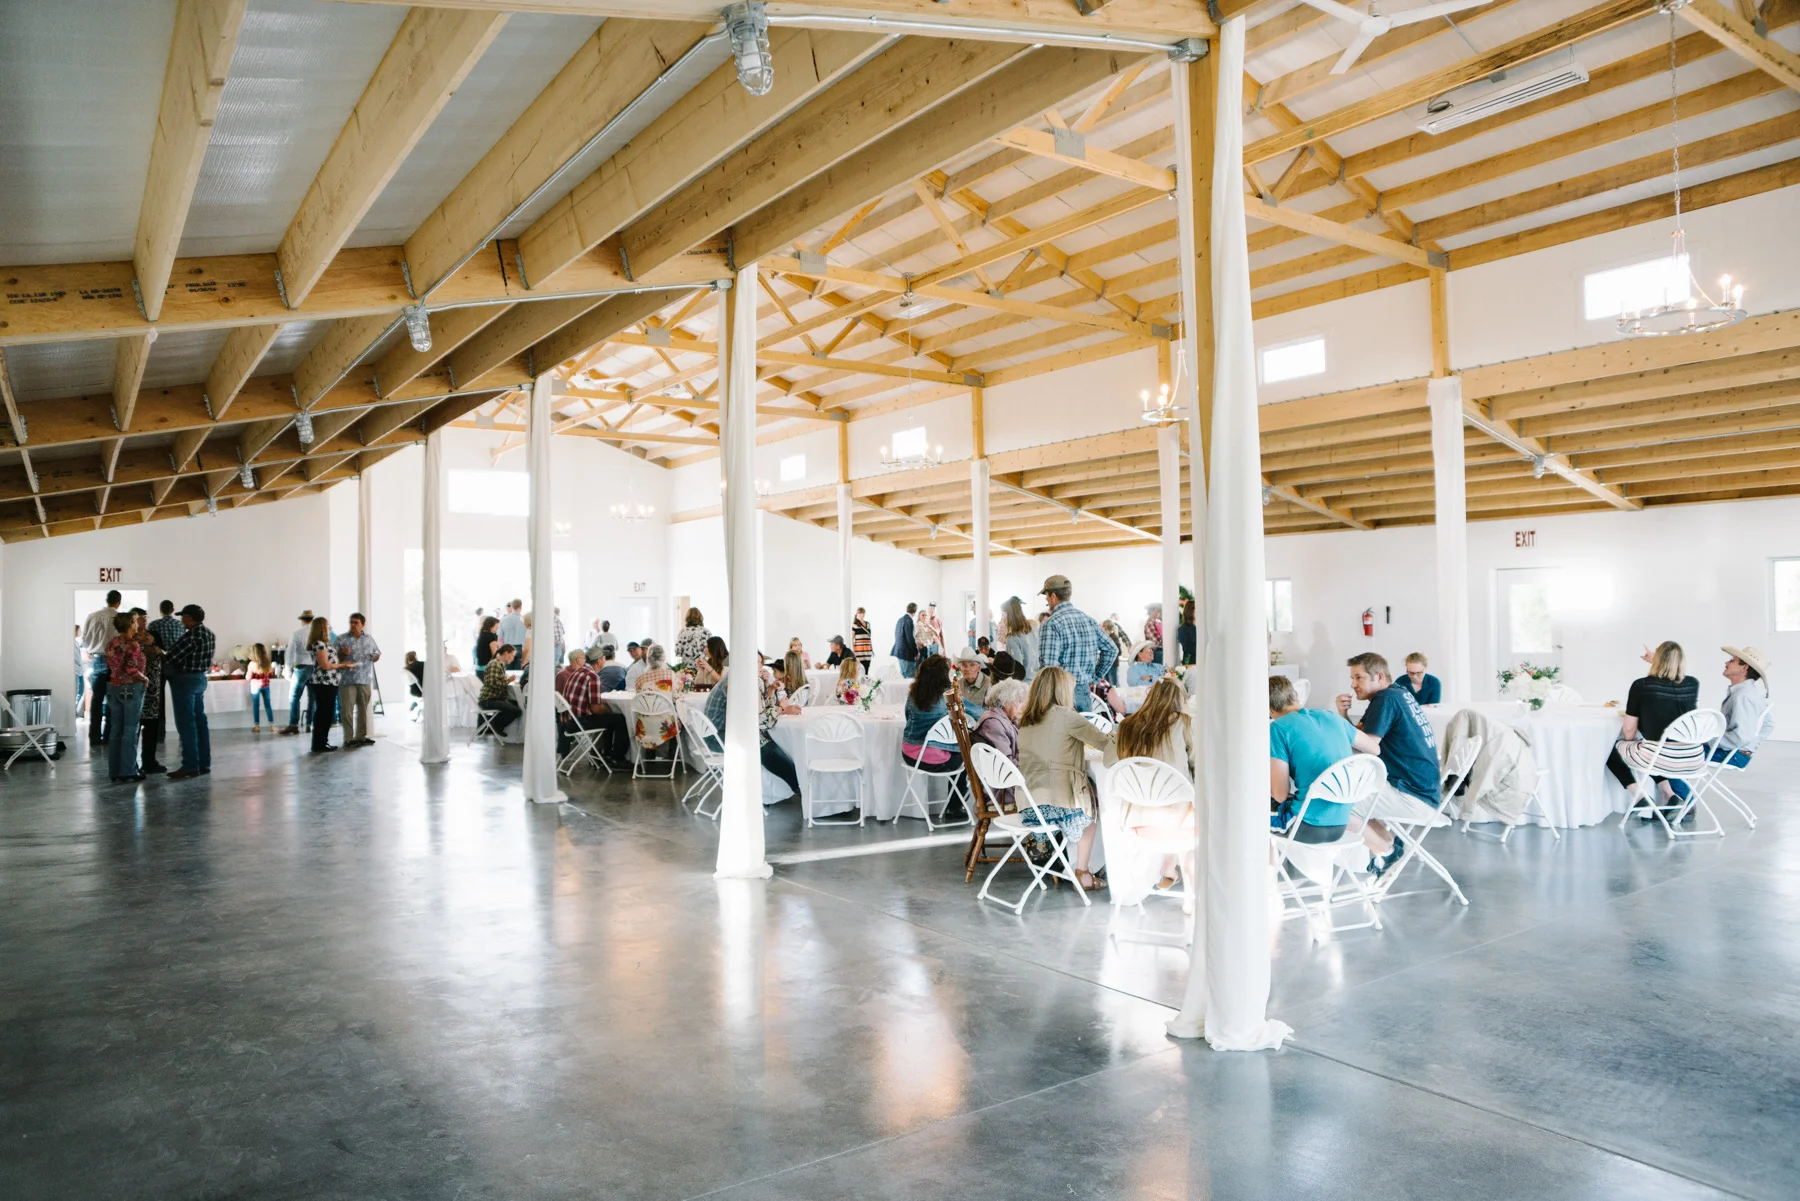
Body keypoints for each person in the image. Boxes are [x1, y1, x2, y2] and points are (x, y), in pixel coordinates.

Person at [1335, 652, 1440, 876]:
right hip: (1425, 789)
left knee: (1335, 804)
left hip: (1413, 796)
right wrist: (1343, 714)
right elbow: (1360, 739)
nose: (1353, 685)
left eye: (1359, 678)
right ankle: (1390, 841)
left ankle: (1386, 850)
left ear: (1379, 676)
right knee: (1353, 790)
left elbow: (1362, 748)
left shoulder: (1385, 700)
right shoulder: (1398, 694)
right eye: (1352, 679)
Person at [1016, 665, 1114, 890]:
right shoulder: (1067, 717)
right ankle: (1083, 871)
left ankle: (1063, 862)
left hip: (1029, 804)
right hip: (1058, 804)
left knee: (1085, 798)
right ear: (1062, 690)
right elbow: (1105, 742)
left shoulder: (1026, 720)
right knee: (1093, 811)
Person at [1107, 677, 1196, 889]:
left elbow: (1110, 761)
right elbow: (1197, 761)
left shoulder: (1127, 725)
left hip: (1136, 819)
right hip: (1178, 820)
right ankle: (1177, 873)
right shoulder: (1184, 723)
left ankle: (1164, 866)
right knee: (1193, 797)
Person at [1270, 674, 1376, 844]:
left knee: (1249, 813)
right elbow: (1374, 748)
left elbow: (1281, 795)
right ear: (1296, 696)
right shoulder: (1331, 717)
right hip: (1341, 824)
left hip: (1304, 826)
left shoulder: (1277, 729)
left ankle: (1270, 870)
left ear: (1269, 710)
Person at [1606, 640, 1702, 813]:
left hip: (1662, 757)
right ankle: (1671, 794)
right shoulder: (1692, 684)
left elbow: (1629, 729)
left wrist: (1630, 743)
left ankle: (1639, 796)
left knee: (1615, 750)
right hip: (1693, 757)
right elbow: (1671, 684)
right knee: (1654, 749)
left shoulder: (1641, 686)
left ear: (1657, 660)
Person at [1670, 646, 1772, 804]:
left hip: (1731, 754)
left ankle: (1685, 804)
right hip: (1736, 752)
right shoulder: (1748, 692)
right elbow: (1768, 724)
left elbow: (1741, 737)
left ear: (1744, 667)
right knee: (1674, 748)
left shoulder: (1744, 696)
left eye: (1732, 660)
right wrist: (1750, 746)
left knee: (1671, 757)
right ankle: (1677, 800)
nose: (1726, 662)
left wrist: (1707, 740)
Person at [701, 652, 802, 797]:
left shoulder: (743, 679)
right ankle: (798, 786)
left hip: (721, 732)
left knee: (765, 740)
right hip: (716, 737)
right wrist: (782, 709)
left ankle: (791, 787)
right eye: (754, 662)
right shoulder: (742, 682)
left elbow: (758, 711)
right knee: (762, 744)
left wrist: (770, 689)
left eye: (760, 662)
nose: (759, 666)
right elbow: (760, 721)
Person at [902, 654, 970, 820]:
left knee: (958, 754)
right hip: (934, 760)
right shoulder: (948, 698)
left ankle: (954, 803)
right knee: (965, 756)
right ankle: (954, 806)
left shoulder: (913, 695)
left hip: (909, 754)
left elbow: (907, 717)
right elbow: (965, 718)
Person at [1036, 574, 1117, 713]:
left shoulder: (1051, 624)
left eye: (1047, 597)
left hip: (1061, 694)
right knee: (1083, 733)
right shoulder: (1088, 620)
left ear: (1054, 596)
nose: (1047, 601)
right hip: (1084, 691)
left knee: (1061, 734)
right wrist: (1096, 676)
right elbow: (1111, 649)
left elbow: (1049, 668)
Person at [163, 604, 216, 780]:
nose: (181, 620)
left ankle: (190, 765)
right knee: (200, 721)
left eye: (183, 617)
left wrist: (158, 651)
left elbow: (171, 657)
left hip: (185, 680)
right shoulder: (209, 633)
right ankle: (203, 763)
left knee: (186, 724)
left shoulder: (191, 635)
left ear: (191, 618)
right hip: (200, 679)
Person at [555, 650, 629, 766]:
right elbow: (596, 709)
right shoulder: (592, 676)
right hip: (578, 722)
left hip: (567, 721)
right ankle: (617, 759)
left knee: (609, 719)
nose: (604, 661)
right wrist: (609, 709)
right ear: (599, 661)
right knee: (620, 720)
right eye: (604, 659)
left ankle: (604, 753)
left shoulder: (576, 672)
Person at [102, 613, 149, 783]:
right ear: (130, 624)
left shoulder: (111, 643)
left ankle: (114, 770)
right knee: (130, 729)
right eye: (135, 621)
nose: (137, 624)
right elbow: (131, 669)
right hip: (130, 688)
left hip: (113, 687)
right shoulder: (131, 644)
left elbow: (111, 665)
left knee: (116, 729)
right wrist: (145, 679)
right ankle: (128, 771)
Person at [972, 678, 1028, 812]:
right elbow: (1006, 767)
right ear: (1006, 702)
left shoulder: (1004, 720)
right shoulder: (993, 724)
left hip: (1009, 787)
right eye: (1020, 701)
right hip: (1002, 794)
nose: (1024, 706)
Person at [80, 589, 123, 746]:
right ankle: (108, 736)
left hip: (96, 659)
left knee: (97, 700)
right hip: (115, 660)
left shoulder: (92, 616)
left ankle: (94, 737)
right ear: (118, 602)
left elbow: (84, 639)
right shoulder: (119, 618)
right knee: (113, 699)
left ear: (107, 600)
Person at [334, 613, 381, 747]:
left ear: (362, 624)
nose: (353, 625)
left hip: (364, 678)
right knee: (347, 711)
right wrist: (342, 654)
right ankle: (348, 738)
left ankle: (361, 736)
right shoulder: (341, 639)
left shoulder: (369, 639)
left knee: (363, 710)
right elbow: (332, 659)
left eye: (356, 622)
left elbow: (376, 653)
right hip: (347, 679)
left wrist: (376, 657)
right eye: (351, 622)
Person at [303, 617, 349, 753]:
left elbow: (330, 660)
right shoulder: (319, 644)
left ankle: (322, 741)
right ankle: (319, 743)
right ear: (322, 627)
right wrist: (342, 665)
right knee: (324, 713)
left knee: (326, 713)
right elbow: (325, 665)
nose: (330, 628)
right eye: (327, 625)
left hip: (329, 682)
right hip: (324, 682)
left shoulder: (324, 643)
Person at [133, 610, 168, 775]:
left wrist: (154, 645)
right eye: (139, 619)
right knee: (133, 727)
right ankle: (131, 763)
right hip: (135, 687)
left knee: (152, 725)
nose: (143, 622)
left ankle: (149, 761)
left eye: (145, 619)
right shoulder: (128, 638)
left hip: (154, 687)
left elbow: (163, 654)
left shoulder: (153, 635)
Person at [281, 609, 316, 735]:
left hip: (301, 667)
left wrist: (287, 669)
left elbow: (290, 652)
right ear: (312, 619)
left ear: (302, 620)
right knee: (312, 697)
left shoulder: (297, 633)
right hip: (315, 667)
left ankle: (294, 724)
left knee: (294, 696)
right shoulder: (317, 632)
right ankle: (309, 724)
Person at [478, 644, 522, 738]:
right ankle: (495, 727)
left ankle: (491, 726)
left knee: (515, 705)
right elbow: (493, 684)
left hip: (493, 698)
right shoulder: (495, 664)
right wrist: (509, 680)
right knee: (516, 711)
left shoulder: (500, 664)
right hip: (488, 700)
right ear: (506, 653)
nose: (512, 658)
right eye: (512, 655)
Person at [1000, 597, 1038, 678]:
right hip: (1037, 681)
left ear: (1009, 615)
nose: (1002, 619)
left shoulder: (1012, 638)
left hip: (1023, 685)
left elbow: (1016, 670)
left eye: (1003, 615)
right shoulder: (1034, 628)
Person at [952, 647, 988, 720]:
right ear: (960, 668)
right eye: (964, 665)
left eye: (972, 665)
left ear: (979, 668)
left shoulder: (988, 684)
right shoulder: (958, 684)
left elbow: (989, 714)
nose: (968, 669)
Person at [246, 644, 275, 732]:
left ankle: (257, 726)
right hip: (265, 686)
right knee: (268, 705)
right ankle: (272, 725)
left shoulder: (252, 664)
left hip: (255, 687)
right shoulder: (267, 662)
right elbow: (271, 674)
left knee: (256, 706)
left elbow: (248, 677)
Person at [892, 602, 919, 679]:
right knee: (910, 677)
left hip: (899, 652)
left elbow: (897, 635)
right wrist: (916, 652)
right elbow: (910, 638)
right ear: (915, 611)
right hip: (906, 654)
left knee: (903, 676)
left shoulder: (900, 620)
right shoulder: (909, 620)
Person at [1176, 597, 1196, 667]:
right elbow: (1188, 648)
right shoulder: (1183, 629)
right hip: (1191, 663)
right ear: (1191, 611)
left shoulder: (1201, 627)